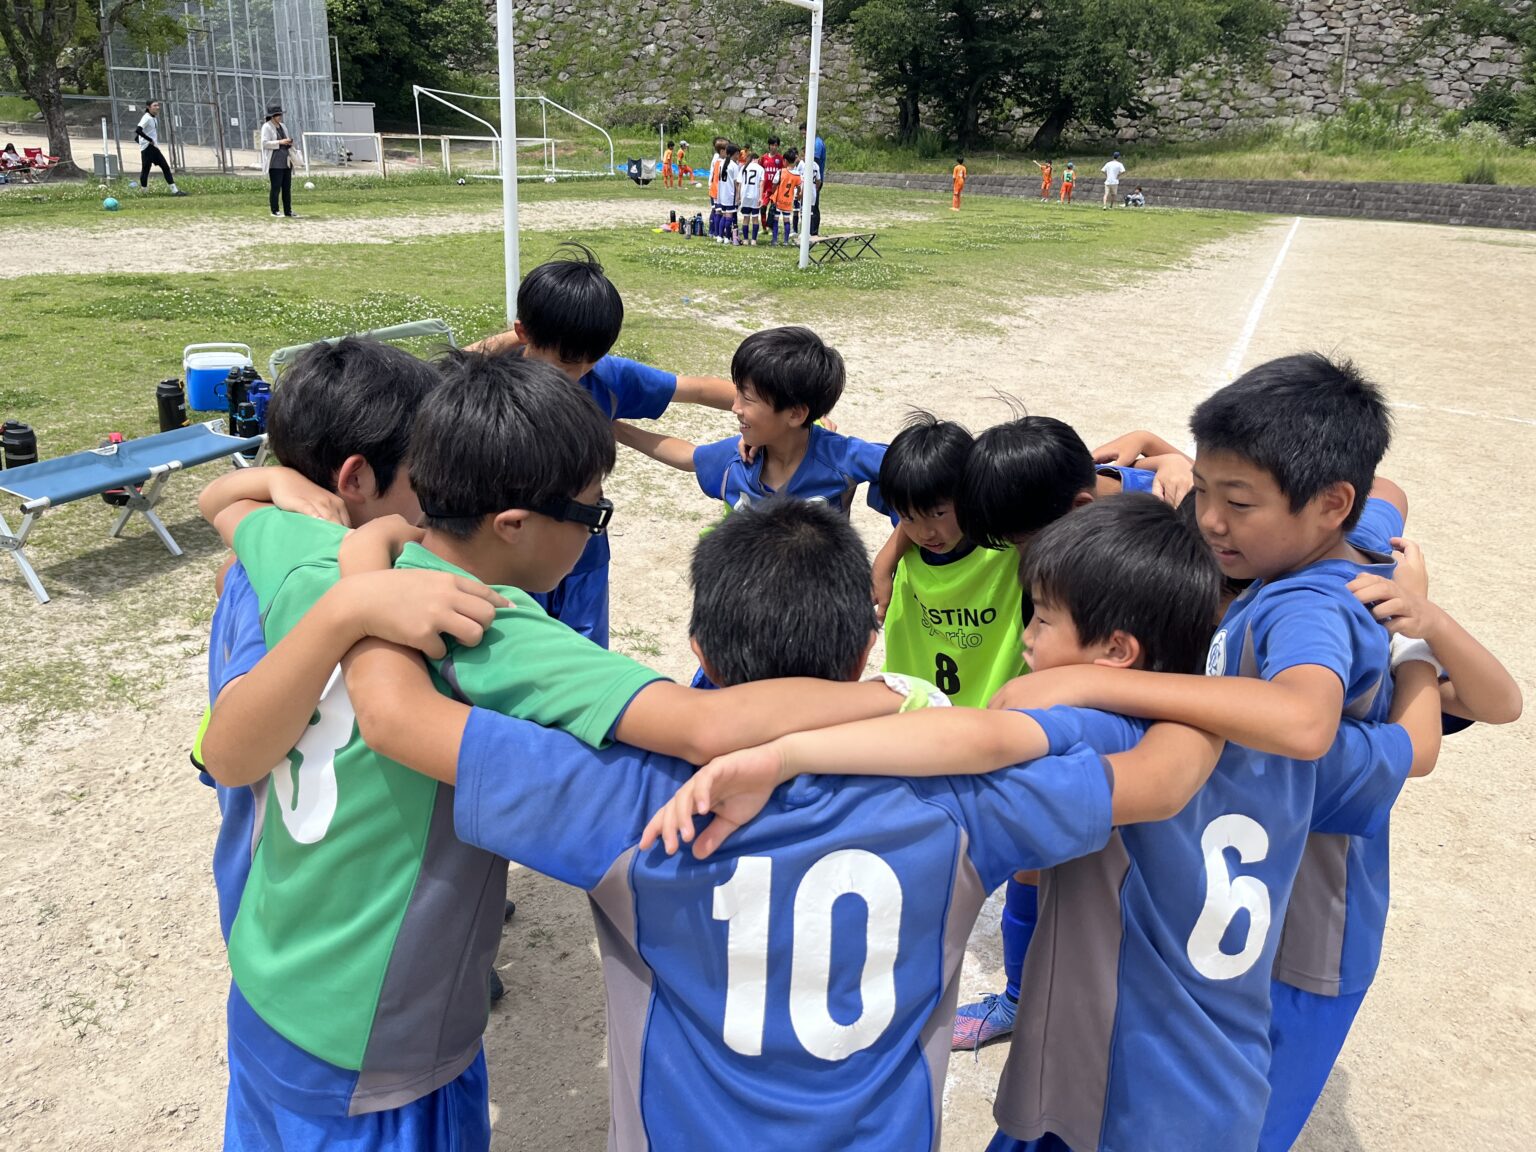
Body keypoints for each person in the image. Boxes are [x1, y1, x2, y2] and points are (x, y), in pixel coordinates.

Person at [198, 350, 929, 1148]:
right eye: (593, 514)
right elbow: (704, 725)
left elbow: (224, 504)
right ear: (515, 526)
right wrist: (893, 694)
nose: (595, 526)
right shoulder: (494, 623)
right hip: (374, 1035)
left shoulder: (310, 556)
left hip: (269, 980)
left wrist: (279, 486)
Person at [351, 496, 1229, 1149]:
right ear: (861, 654)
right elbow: (1163, 765)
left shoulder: (624, 801)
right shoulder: (970, 801)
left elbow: (391, 714)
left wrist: (369, 575)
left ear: (699, 653)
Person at [651, 493, 1443, 1152]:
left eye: (1039, 621)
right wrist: (1415, 640)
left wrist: (787, 755)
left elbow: (985, 734)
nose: (1025, 642)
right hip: (1221, 1086)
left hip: (1107, 1083)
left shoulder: (1099, 725)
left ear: (1117, 652)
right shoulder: (1308, 752)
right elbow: (1415, 745)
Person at [466, 246, 736, 647]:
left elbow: (696, 389)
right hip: (509, 555)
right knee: (514, 653)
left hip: (583, 552)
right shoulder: (494, 380)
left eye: (587, 364)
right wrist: (512, 338)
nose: (576, 375)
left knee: (584, 654)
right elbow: (442, 374)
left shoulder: (606, 377)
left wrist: (785, 407)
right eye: (565, 363)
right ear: (525, 335)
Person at [613, 326, 886, 519]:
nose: (734, 407)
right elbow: (689, 457)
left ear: (795, 414)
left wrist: (887, 560)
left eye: (747, 398)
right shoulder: (740, 458)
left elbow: (917, 468)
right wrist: (614, 427)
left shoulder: (841, 458)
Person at [877, 410, 1027, 708]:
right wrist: (885, 562)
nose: (926, 532)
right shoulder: (911, 546)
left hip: (993, 717)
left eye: (939, 514)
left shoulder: (1010, 544)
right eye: (908, 518)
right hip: (920, 712)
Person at [134, 100, 185, 196]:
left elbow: (140, 134)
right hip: (148, 148)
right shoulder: (147, 118)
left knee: (164, 167)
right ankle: (144, 192)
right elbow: (138, 130)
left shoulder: (153, 118)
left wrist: (144, 140)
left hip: (152, 147)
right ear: (148, 107)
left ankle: (175, 191)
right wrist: (149, 140)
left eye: (158, 105)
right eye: (155, 105)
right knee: (147, 169)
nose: (157, 107)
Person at [260, 104, 301, 218]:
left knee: (287, 188)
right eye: (277, 115)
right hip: (274, 162)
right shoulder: (267, 127)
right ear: (271, 116)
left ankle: (288, 210)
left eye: (280, 114)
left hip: (286, 161)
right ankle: (275, 210)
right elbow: (265, 143)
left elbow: (285, 139)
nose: (279, 117)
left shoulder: (283, 126)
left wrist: (288, 142)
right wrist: (279, 142)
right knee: (276, 186)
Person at [768, 146, 801, 245]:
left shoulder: (781, 172)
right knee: (787, 220)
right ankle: (786, 241)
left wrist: (773, 192)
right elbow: (799, 188)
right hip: (788, 201)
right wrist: (799, 194)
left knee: (776, 220)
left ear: (785, 161)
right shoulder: (797, 175)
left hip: (779, 200)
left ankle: (775, 240)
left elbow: (774, 184)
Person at [800, 121, 827, 236]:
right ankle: (808, 230)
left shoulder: (816, 144)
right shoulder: (813, 142)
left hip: (815, 180)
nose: (803, 136)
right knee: (809, 205)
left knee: (813, 206)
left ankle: (813, 231)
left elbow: (813, 162)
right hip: (811, 180)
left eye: (804, 133)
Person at [739, 146, 765, 245]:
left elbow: (739, 183)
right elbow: (761, 183)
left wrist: (739, 197)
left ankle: (745, 240)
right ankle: (753, 240)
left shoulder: (744, 167)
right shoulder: (760, 168)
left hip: (745, 195)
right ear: (756, 159)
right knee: (755, 218)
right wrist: (761, 197)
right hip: (755, 195)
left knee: (746, 218)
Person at [717, 143, 742, 244]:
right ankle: (727, 237)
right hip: (730, 194)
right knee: (729, 217)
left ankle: (719, 236)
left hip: (722, 193)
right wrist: (738, 196)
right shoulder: (734, 166)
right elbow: (736, 183)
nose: (738, 156)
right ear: (734, 154)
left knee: (724, 216)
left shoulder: (722, 163)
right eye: (737, 154)